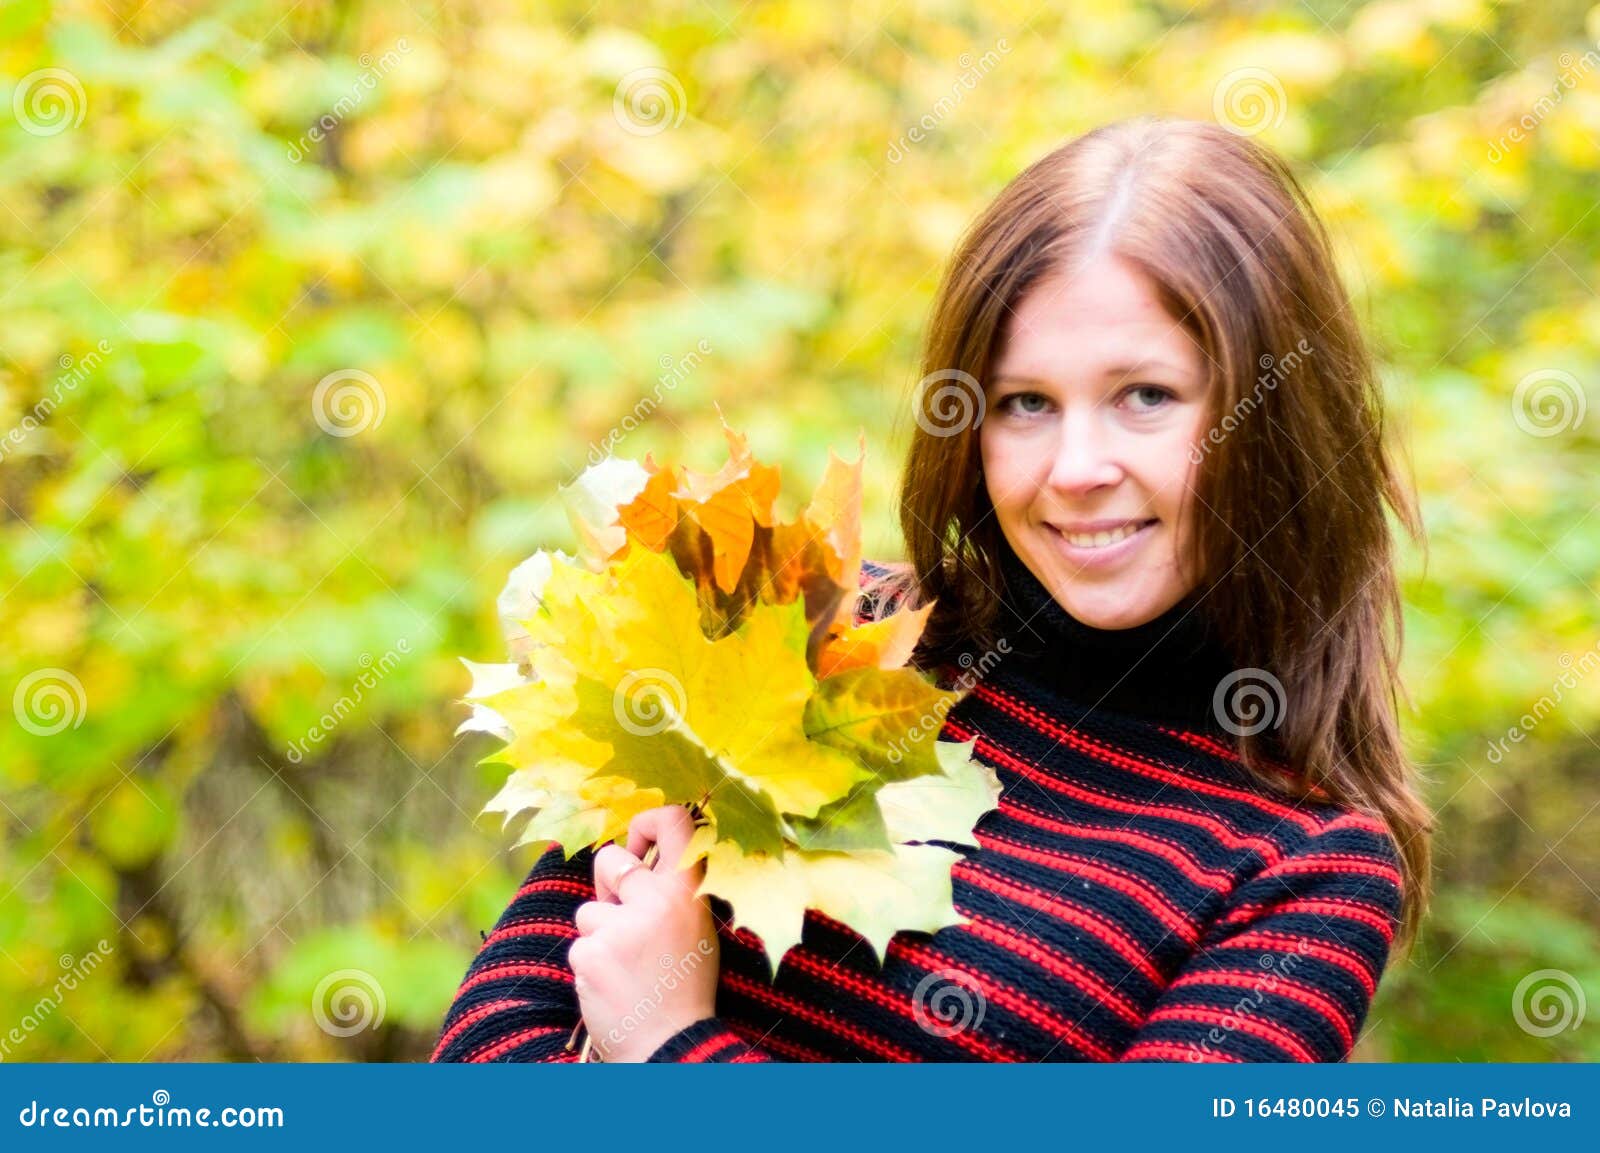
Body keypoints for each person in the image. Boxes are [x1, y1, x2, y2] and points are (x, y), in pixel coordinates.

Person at [431, 115, 1434, 1064]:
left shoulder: (1300, 871)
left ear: (1273, 412)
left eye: (1145, 397)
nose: (1075, 466)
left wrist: (672, 1046)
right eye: (1025, 403)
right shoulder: (803, 631)